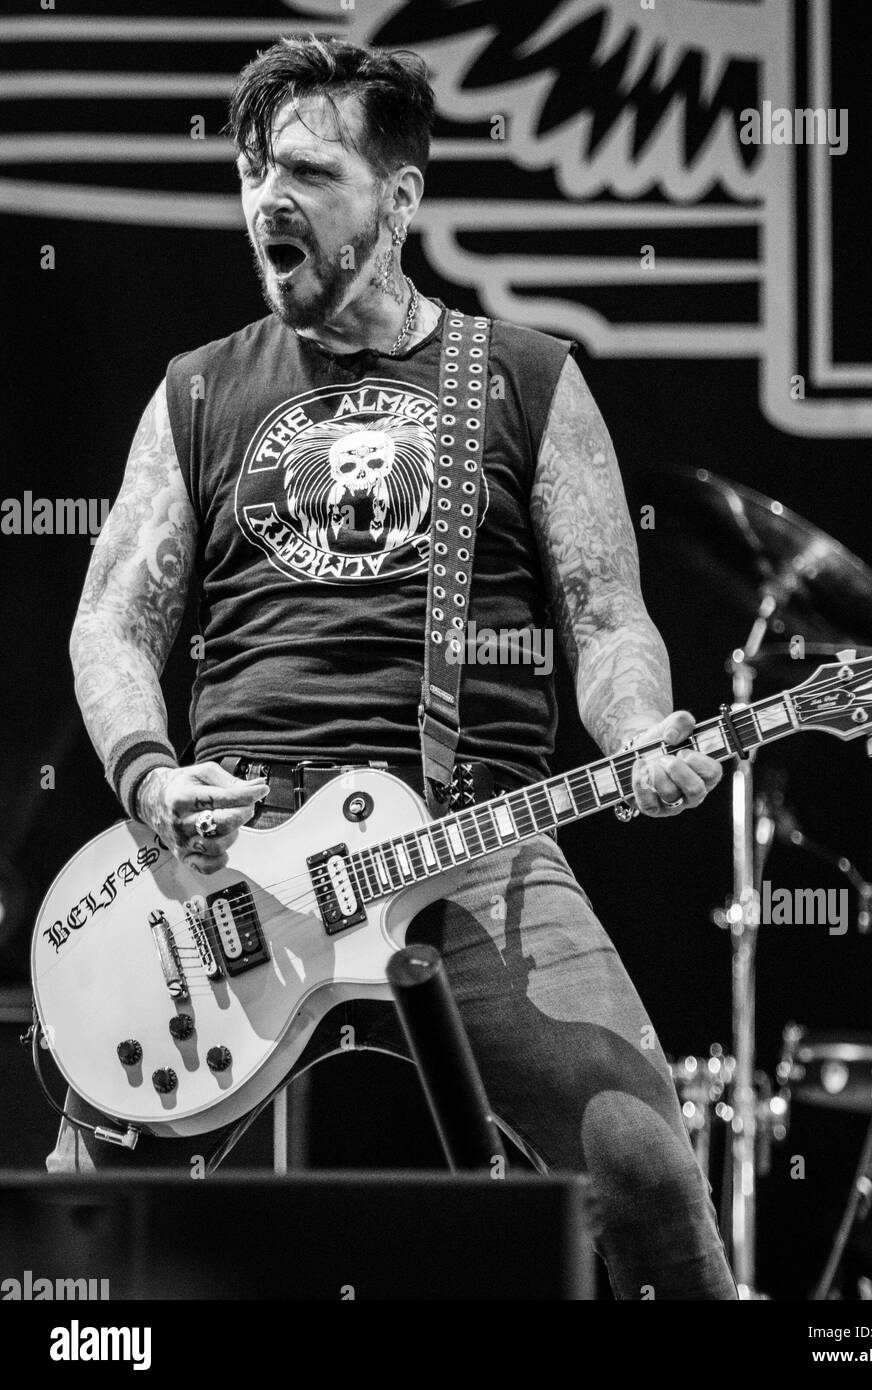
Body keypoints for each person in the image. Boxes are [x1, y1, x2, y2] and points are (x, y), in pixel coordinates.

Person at [50, 35, 737, 1300]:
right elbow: (112, 626)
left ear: (401, 197)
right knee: (82, 1240)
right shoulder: (200, 390)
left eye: (308, 170)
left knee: (644, 1171)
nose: (267, 198)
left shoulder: (526, 377)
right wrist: (151, 781)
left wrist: (639, 728)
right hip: (232, 855)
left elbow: (607, 616)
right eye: (253, 169)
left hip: (472, 837)